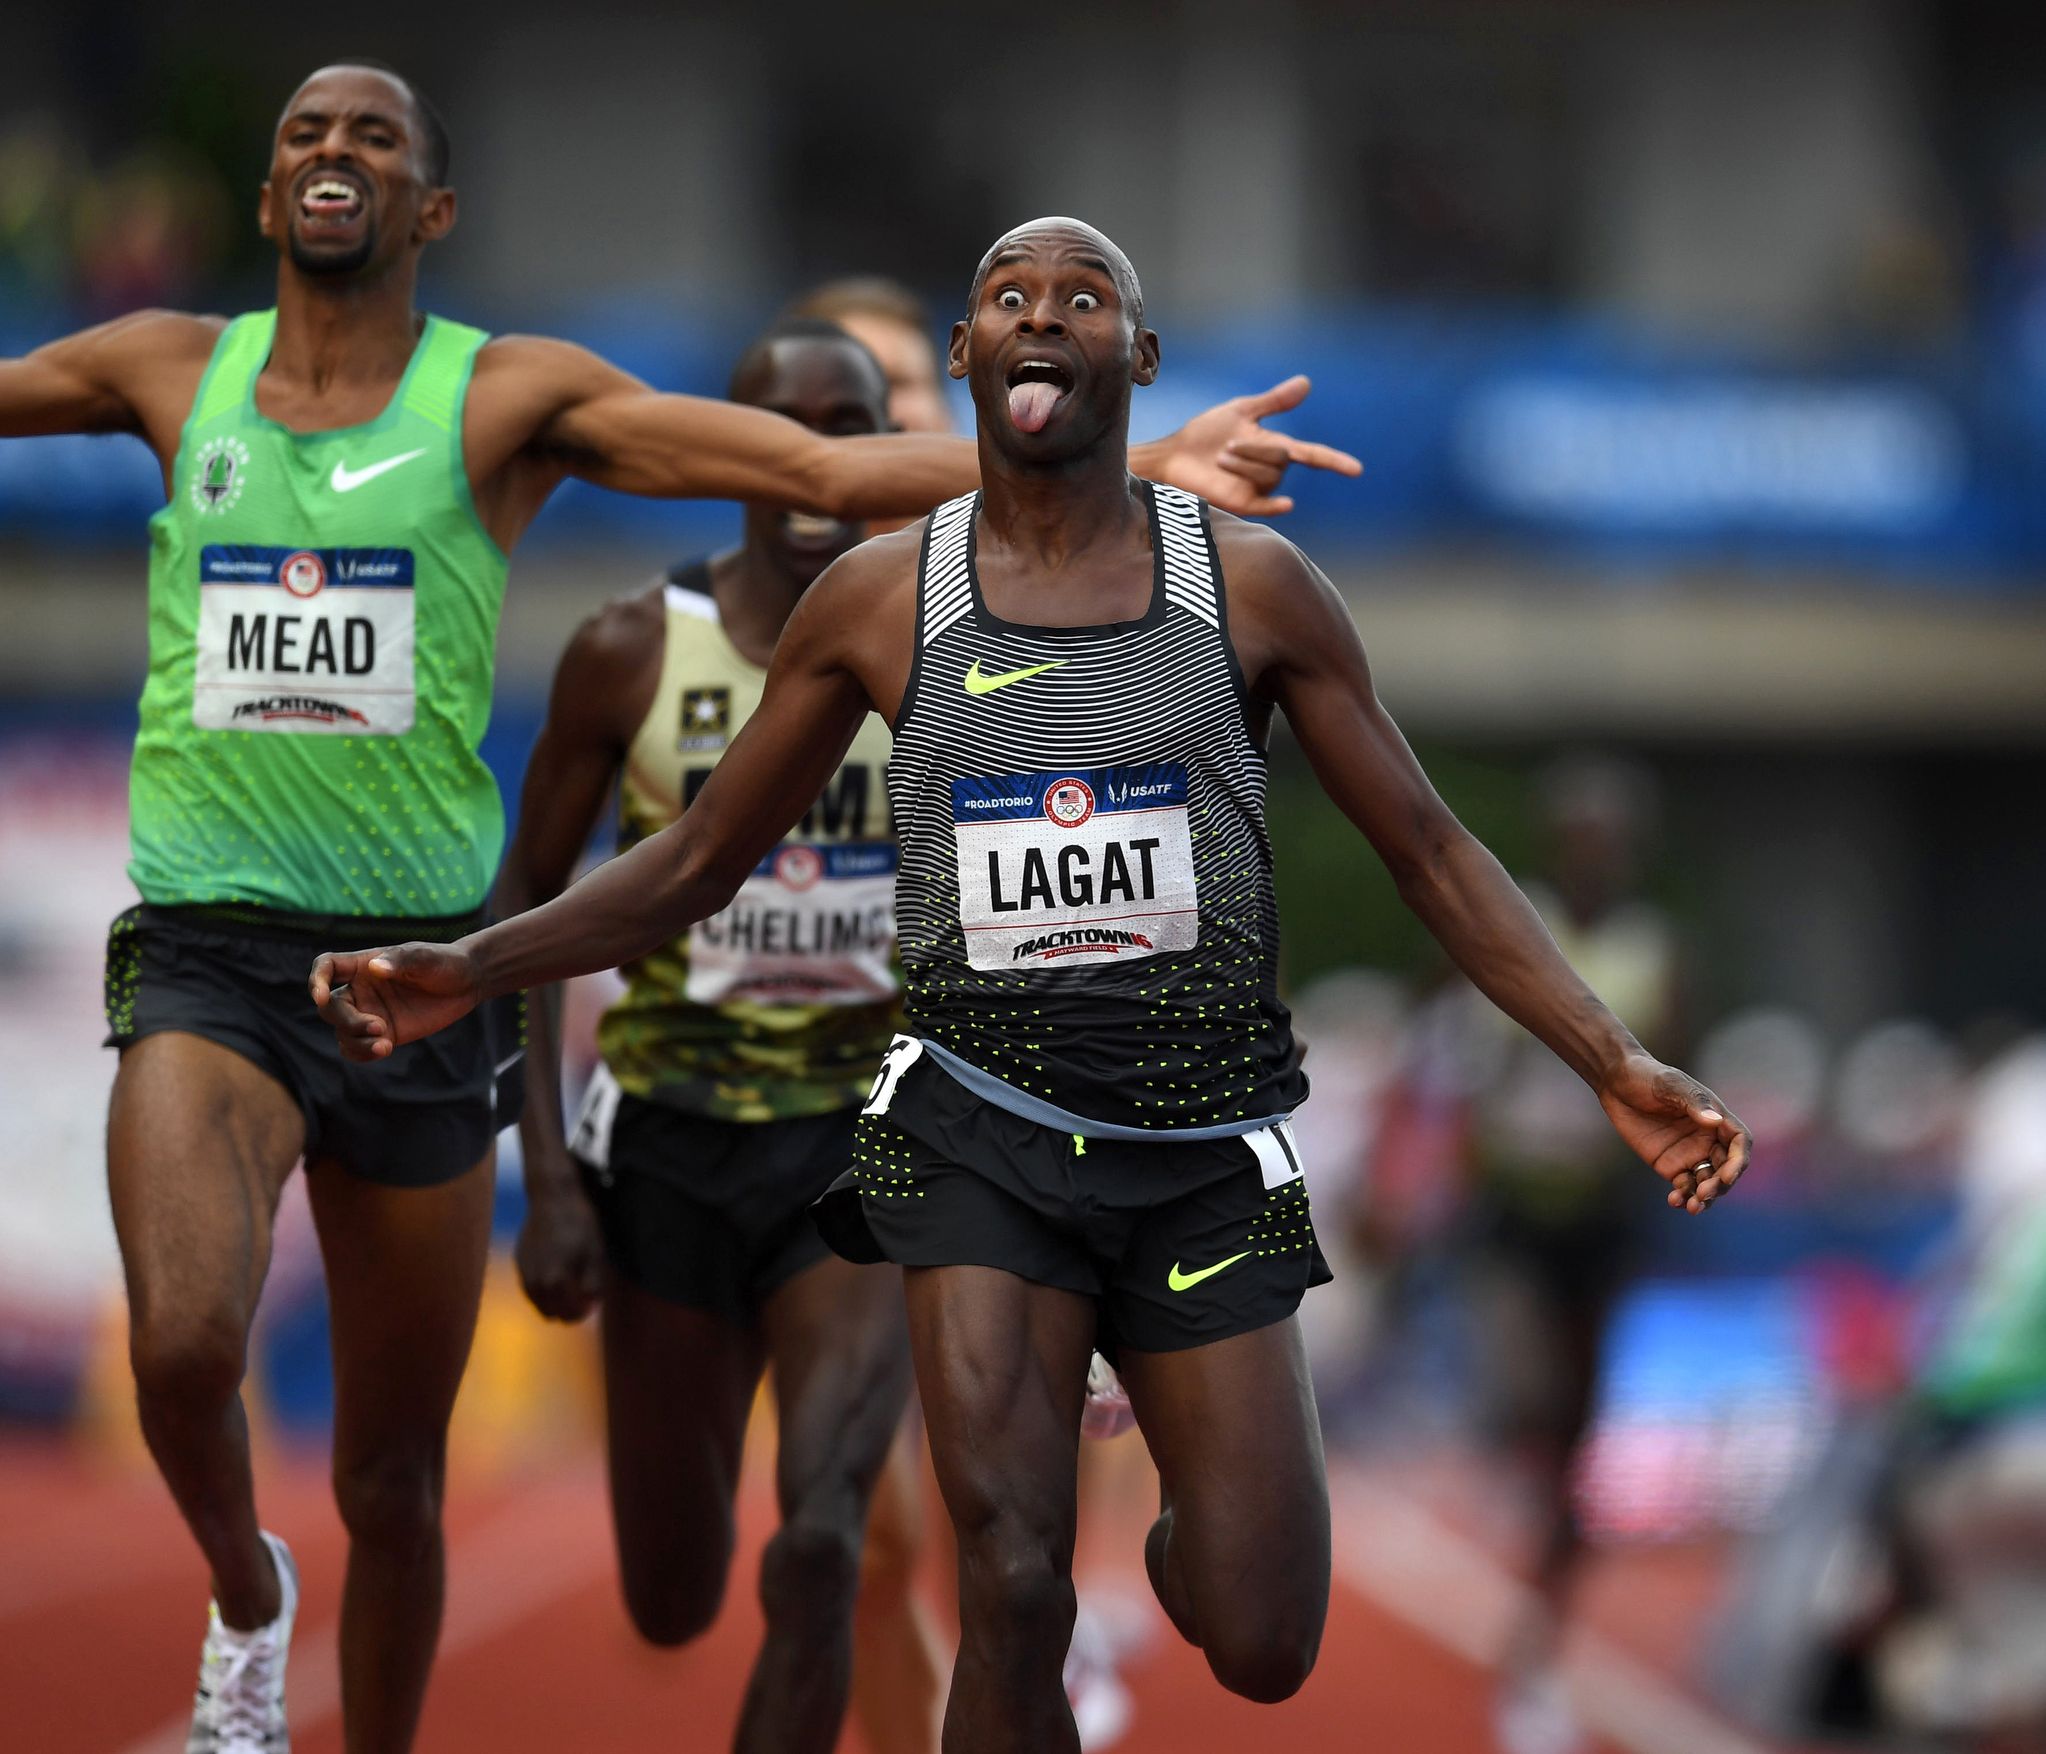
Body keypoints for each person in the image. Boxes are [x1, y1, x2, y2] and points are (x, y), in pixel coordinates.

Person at [0, 57, 1358, 1750]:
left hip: (674, 1058)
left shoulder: (517, 406)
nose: (332, 152)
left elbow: (812, 467)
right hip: (249, 954)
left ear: (432, 207)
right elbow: (674, 854)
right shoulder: (176, 377)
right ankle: (248, 1595)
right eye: (303, 134)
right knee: (217, 1359)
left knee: (518, 1496)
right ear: (269, 195)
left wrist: (1124, 455)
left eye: (374, 136)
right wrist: (554, 1141)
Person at [312, 215, 1750, 1753]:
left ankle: (1180, 1528)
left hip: (1201, 1148)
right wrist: (472, 963)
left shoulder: (1252, 588)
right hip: (973, 1136)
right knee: (1007, 1581)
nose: (1040, 316)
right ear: (965, 359)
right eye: (1007, 297)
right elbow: (697, 859)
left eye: (1082, 298)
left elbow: (1435, 854)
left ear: (1133, 356)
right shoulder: (877, 600)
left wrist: (1607, 1058)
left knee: (1263, 1634)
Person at [504, 315, 928, 1754]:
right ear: (742, 451)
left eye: (847, 422)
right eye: (785, 422)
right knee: (675, 1596)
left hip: (859, 1151)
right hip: (664, 1151)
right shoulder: (629, 648)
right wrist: (551, 1178)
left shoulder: (948, 653)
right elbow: (528, 900)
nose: (815, 465)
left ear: (878, 452)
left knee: (821, 1543)